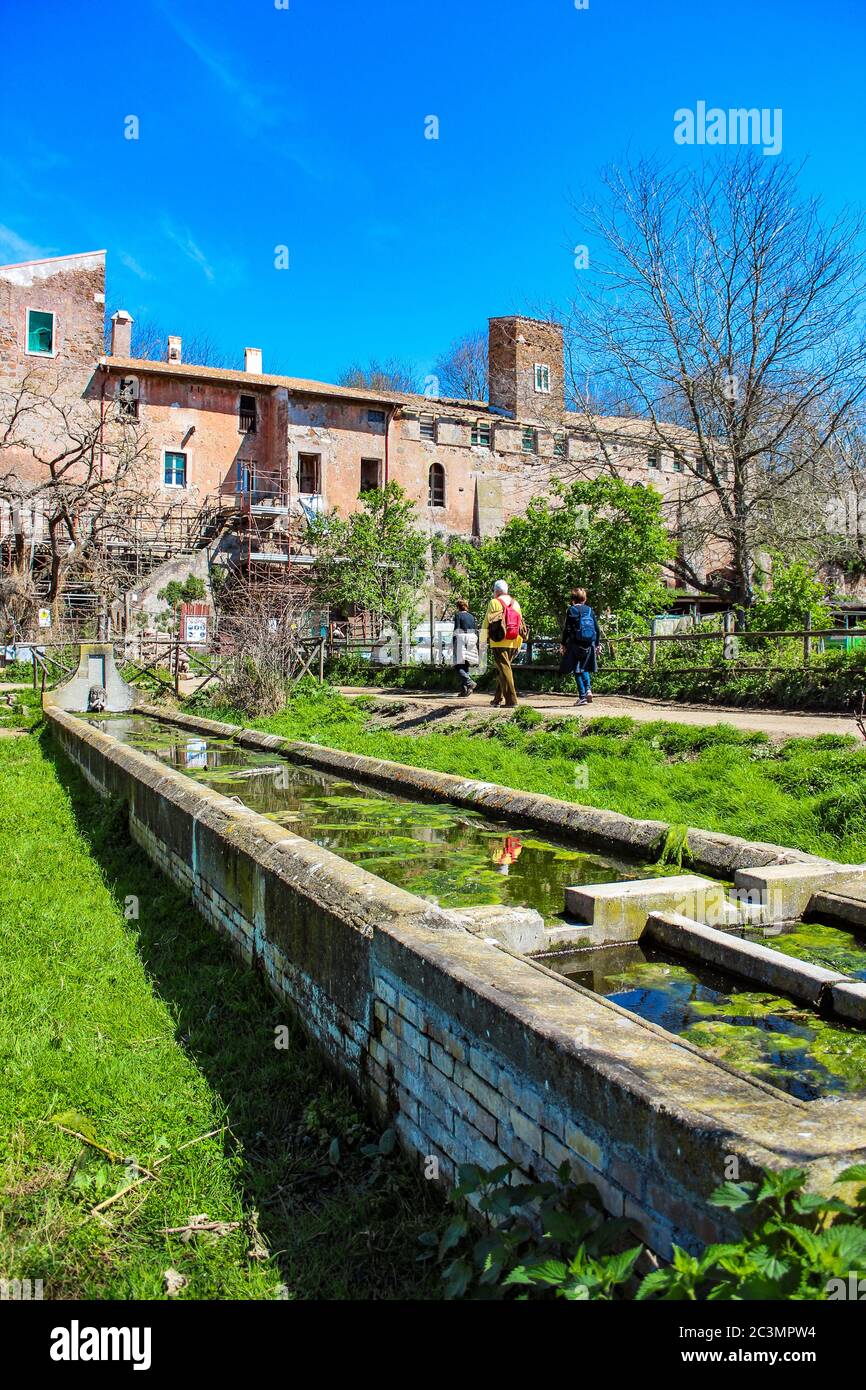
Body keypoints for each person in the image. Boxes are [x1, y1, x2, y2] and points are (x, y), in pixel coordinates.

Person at [481, 579, 524, 709]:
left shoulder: (494, 602)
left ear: (497, 591)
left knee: (504, 669)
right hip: (514, 640)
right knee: (503, 669)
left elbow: (487, 621)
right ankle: (497, 699)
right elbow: (520, 624)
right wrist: (520, 643)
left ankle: (512, 701)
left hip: (499, 641)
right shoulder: (515, 603)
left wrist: (482, 640)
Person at [559, 587, 601, 706]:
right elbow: (597, 629)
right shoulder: (589, 610)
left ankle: (582, 696)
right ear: (584, 599)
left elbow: (567, 629)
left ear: (573, 599)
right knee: (584, 667)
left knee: (576, 669)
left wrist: (563, 643)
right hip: (588, 644)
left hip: (575, 644)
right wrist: (597, 644)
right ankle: (588, 689)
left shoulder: (571, 610)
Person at [452, 598, 479, 696]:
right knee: (466, 664)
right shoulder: (472, 616)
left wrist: (453, 641)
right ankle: (465, 690)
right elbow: (475, 629)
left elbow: (457, 628)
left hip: (461, 638)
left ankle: (469, 682)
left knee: (458, 665)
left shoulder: (458, 615)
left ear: (458, 607)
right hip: (472, 638)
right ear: (466, 606)